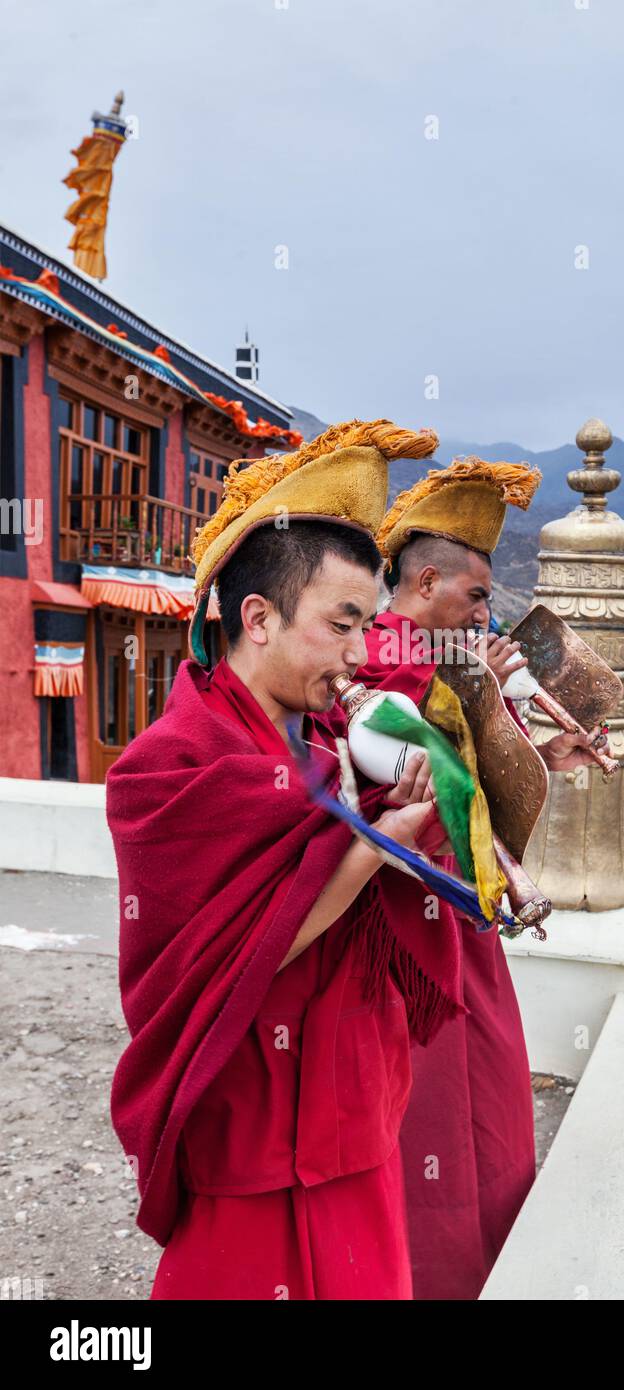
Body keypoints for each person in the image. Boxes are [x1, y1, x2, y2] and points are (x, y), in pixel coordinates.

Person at [106, 420, 464, 1301]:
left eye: (369, 627)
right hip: (251, 1140)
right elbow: (243, 951)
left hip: (355, 1119)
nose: (359, 655)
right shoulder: (165, 768)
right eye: (343, 625)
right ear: (258, 618)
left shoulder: (342, 737)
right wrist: (375, 846)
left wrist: (434, 806)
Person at [320, 455, 609, 1299]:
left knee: (490, 1107)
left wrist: (545, 751)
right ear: (430, 581)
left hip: (461, 914)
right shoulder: (378, 664)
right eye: (477, 597)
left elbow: (473, 778)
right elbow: (428, 783)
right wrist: (503, 866)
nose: (490, 614)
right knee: (438, 1122)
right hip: (408, 928)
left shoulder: (446, 664)